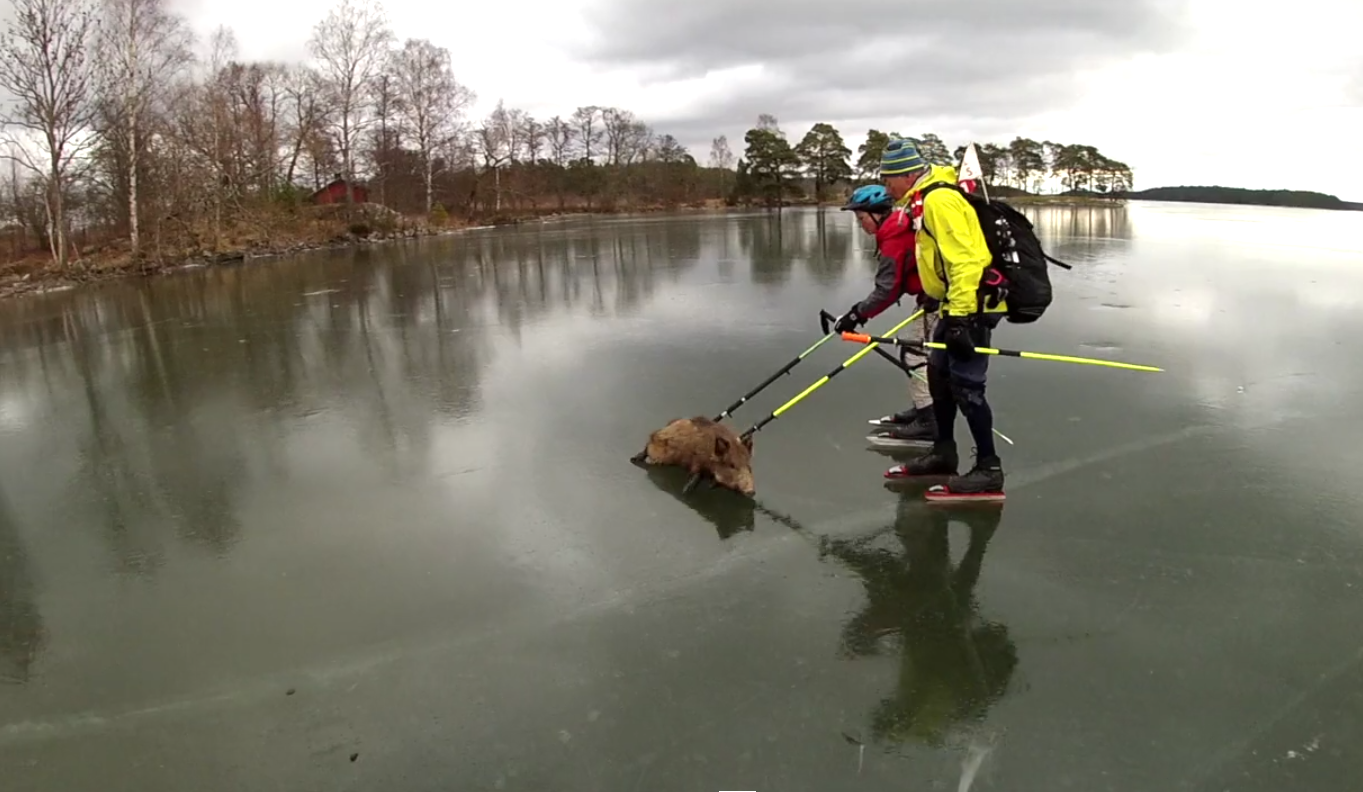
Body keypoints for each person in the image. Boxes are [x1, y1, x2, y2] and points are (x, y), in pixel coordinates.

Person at [877, 137, 1006, 500]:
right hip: (951, 305)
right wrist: (936, 296)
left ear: (907, 175)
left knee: (967, 387)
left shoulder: (939, 200)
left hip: (971, 307)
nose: (886, 185)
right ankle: (943, 453)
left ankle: (989, 469)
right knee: (938, 377)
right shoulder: (924, 200)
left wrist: (961, 318)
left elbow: (966, 261)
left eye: (889, 178)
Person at [832, 184, 940, 444]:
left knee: (914, 355)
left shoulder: (894, 236)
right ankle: (925, 409)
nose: (860, 224)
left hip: (939, 302)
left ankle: (929, 422)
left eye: (861, 218)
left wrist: (856, 315)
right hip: (932, 298)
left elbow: (887, 290)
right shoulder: (900, 226)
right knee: (923, 355)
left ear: (877, 213)